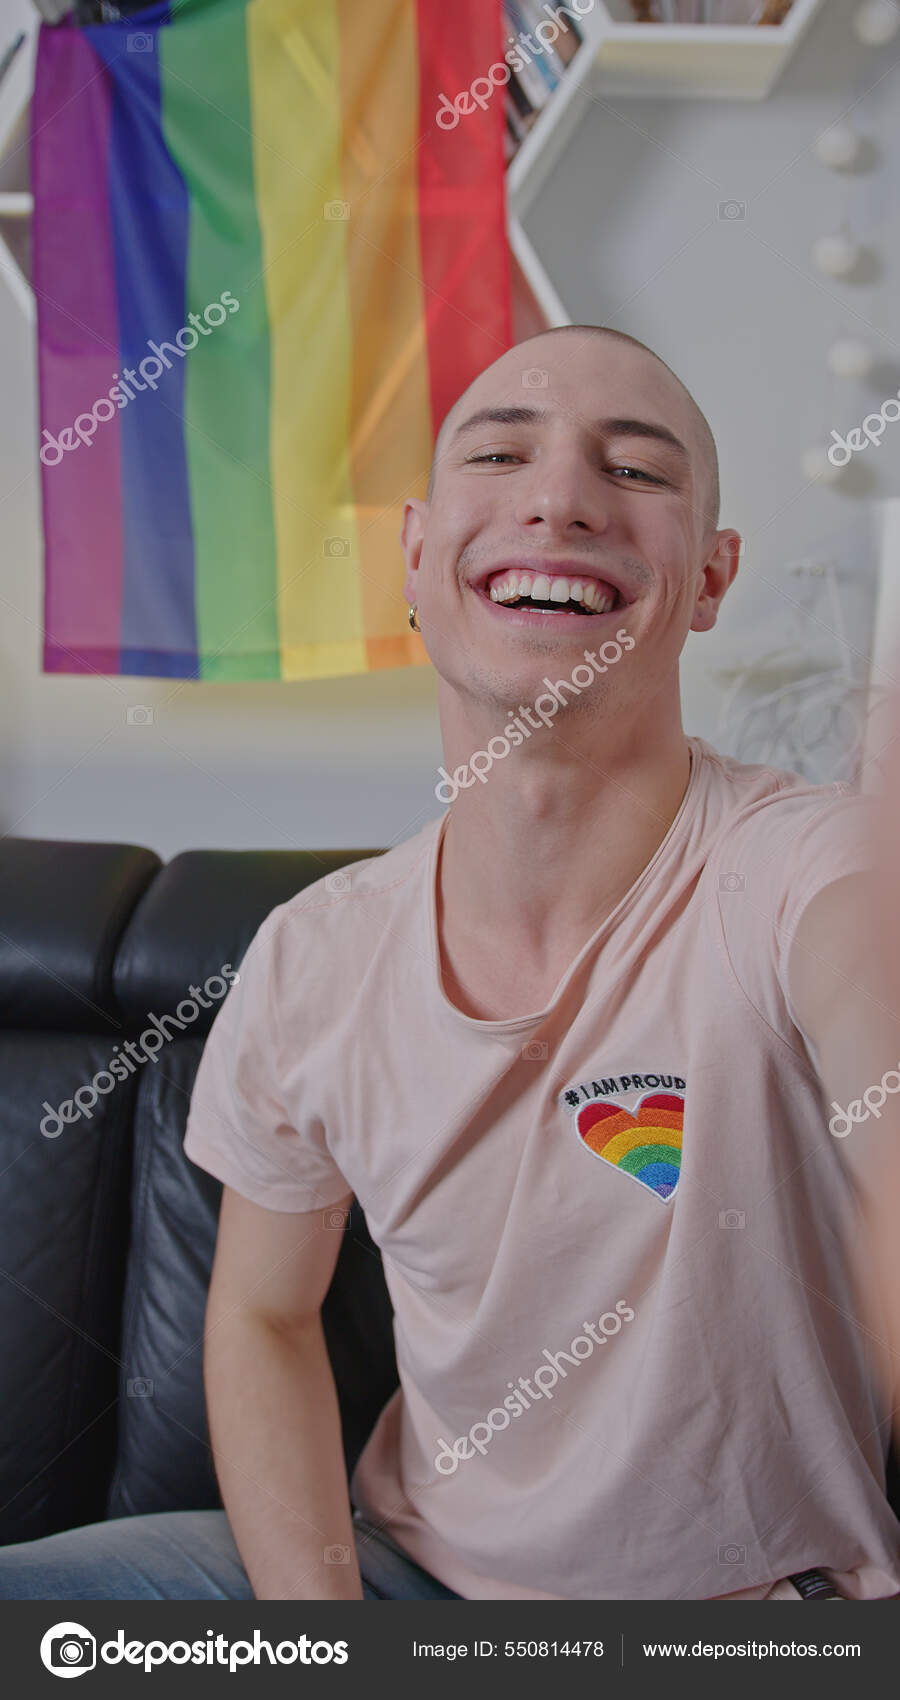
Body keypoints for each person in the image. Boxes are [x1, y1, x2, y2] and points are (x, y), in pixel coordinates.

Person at [2, 324, 899, 1602]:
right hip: (404, 1587)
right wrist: (324, 1638)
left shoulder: (806, 873)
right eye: (503, 453)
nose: (561, 496)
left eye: (636, 472)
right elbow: (261, 1313)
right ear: (418, 556)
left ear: (710, 577)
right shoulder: (314, 952)